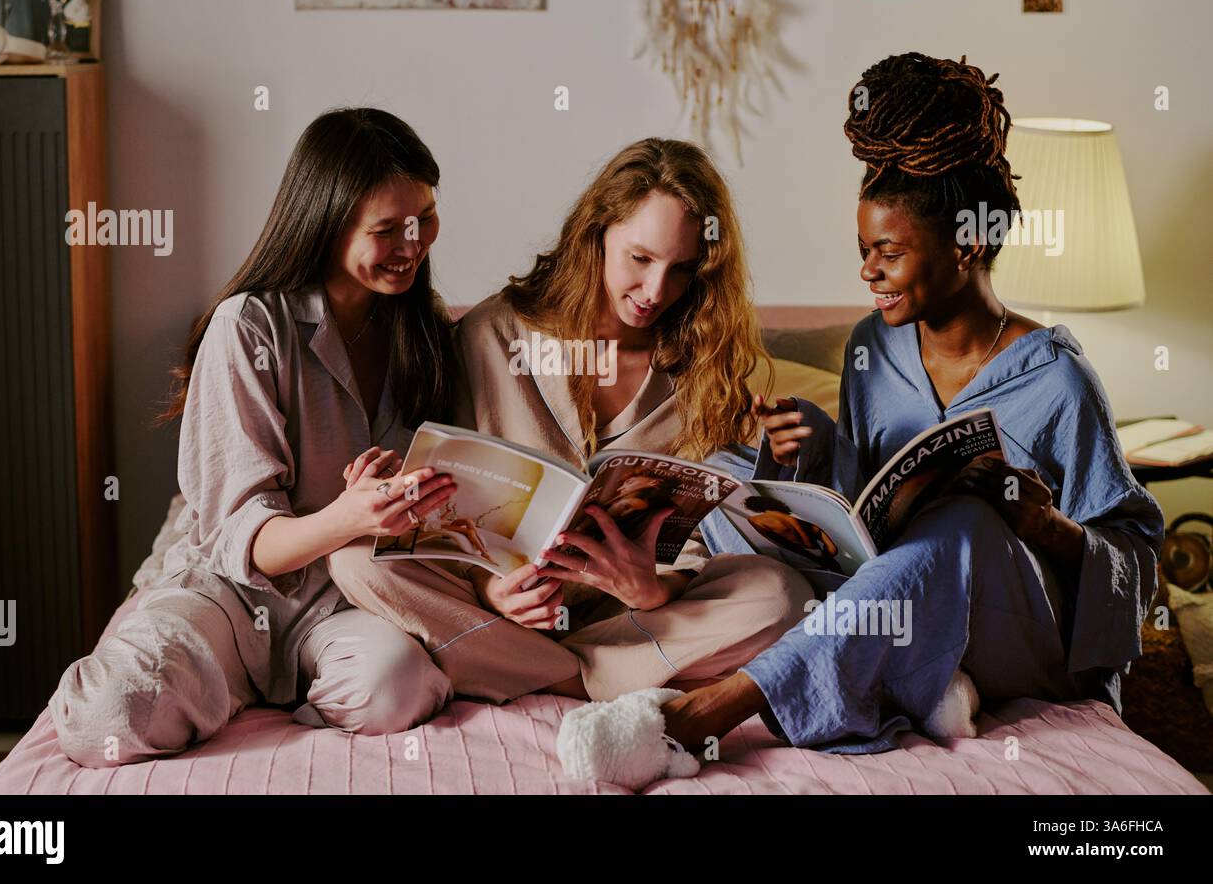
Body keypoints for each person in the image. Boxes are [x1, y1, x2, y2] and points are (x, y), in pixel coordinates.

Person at [659, 53, 1163, 754]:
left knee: (959, 524)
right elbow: (861, 525)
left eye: (888, 253)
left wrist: (1046, 525)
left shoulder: (1059, 382)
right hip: (894, 604)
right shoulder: (874, 347)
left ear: (968, 244)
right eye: (863, 249)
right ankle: (926, 680)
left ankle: (732, 698)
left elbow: (1136, 574)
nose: (867, 271)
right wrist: (809, 450)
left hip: (1019, 643)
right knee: (726, 470)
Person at [331, 138, 813, 703]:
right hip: (504, 609)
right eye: (640, 258)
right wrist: (493, 593)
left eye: (681, 270)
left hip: (624, 618)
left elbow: (701, 541)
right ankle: (584, 676)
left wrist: (651, 588)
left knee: (780, 595)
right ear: (598, 232)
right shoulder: (492, 336)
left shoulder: (707, 368)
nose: (656, 292)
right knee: (355, 558)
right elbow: (446, 509)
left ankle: (540, 673)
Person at [49, 108, 460, 767]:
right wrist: (348, 514)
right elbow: (250, 539)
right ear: (327, 224)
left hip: (344, 596)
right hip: (233, 590)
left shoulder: (427, 331)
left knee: (398, 685)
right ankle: (215, 676)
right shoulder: (249, 326)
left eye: (425, 219)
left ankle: (262, 692)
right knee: (110, 712)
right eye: (387, 230)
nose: (413, 244)